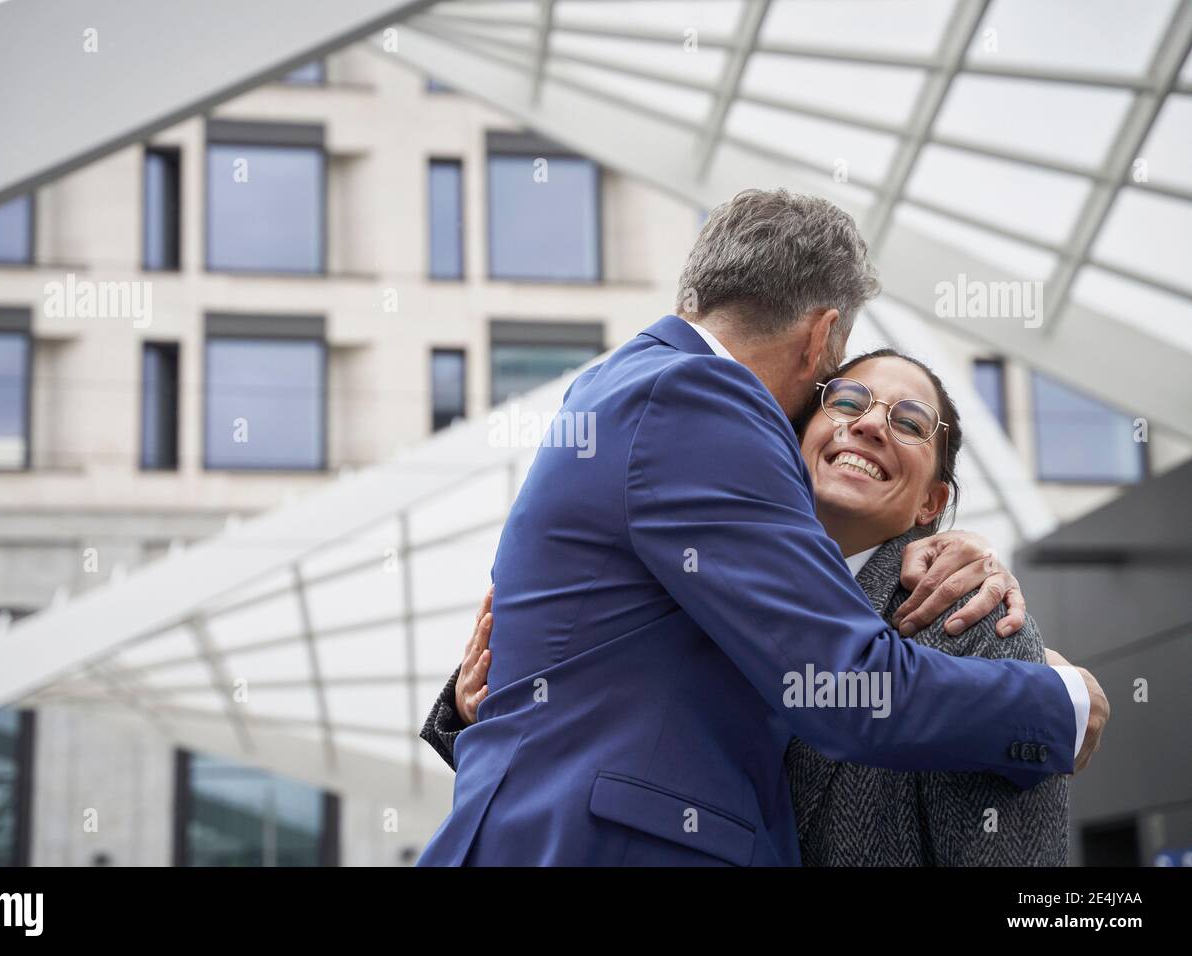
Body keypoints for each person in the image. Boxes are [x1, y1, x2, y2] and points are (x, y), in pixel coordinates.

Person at [416, 188, 1107, 867]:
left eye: (909, 422)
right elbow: (838, 683)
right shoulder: (695, 396)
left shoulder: (970, 614)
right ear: (817, 340)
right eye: (844, 393)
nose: (866, 424)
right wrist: (1065, 701)